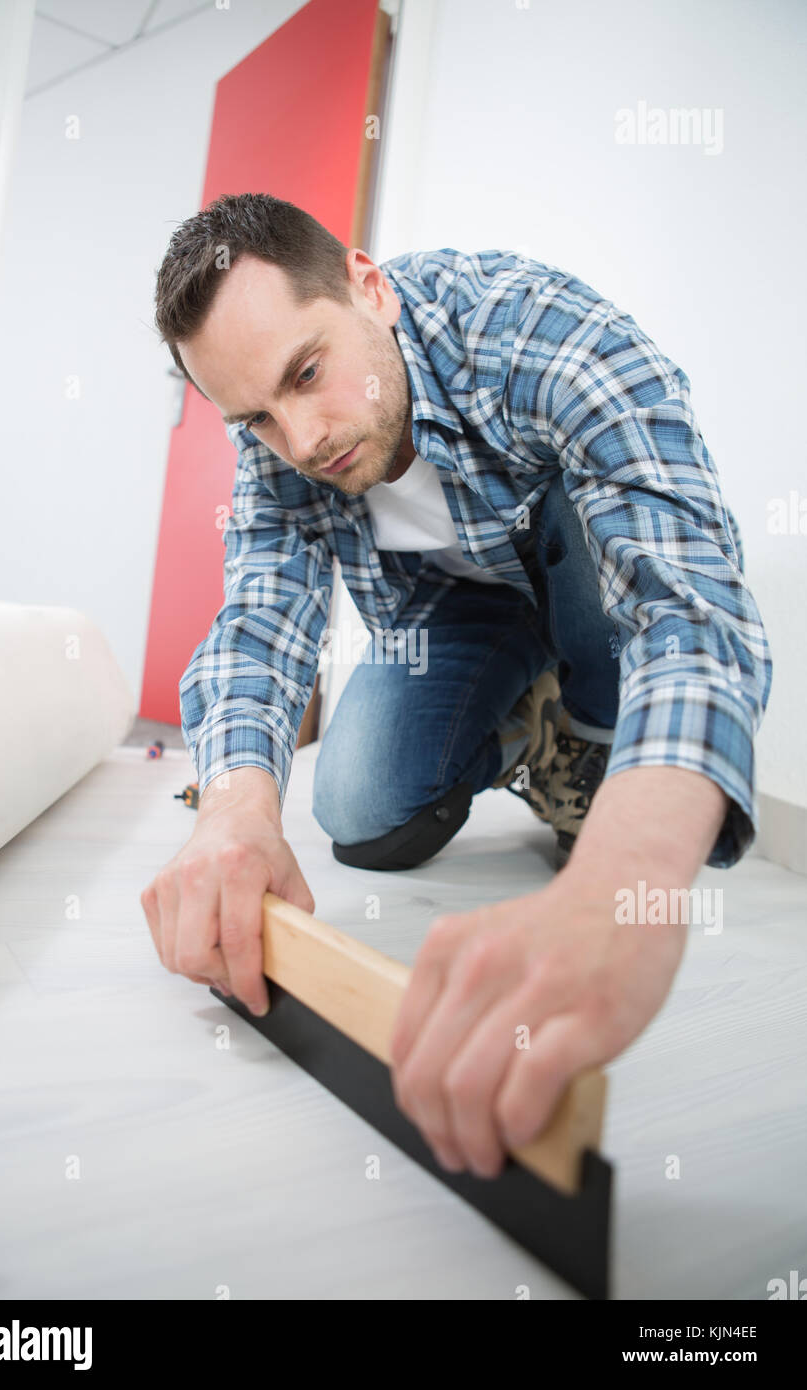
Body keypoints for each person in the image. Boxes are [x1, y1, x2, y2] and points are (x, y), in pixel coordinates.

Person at [140, 193, 772, 1180]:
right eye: (256, 415)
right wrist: (229, 811)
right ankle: (535, 725)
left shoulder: (534, 332)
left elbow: (684, 594)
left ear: (367, 285)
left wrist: (627, 875)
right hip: (461, 624)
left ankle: (593, 729)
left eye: (308, 374)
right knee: (357, 805)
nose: (300, 438)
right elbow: (260, 617)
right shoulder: (280, 439)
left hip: (582, 579)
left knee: (598, 591)